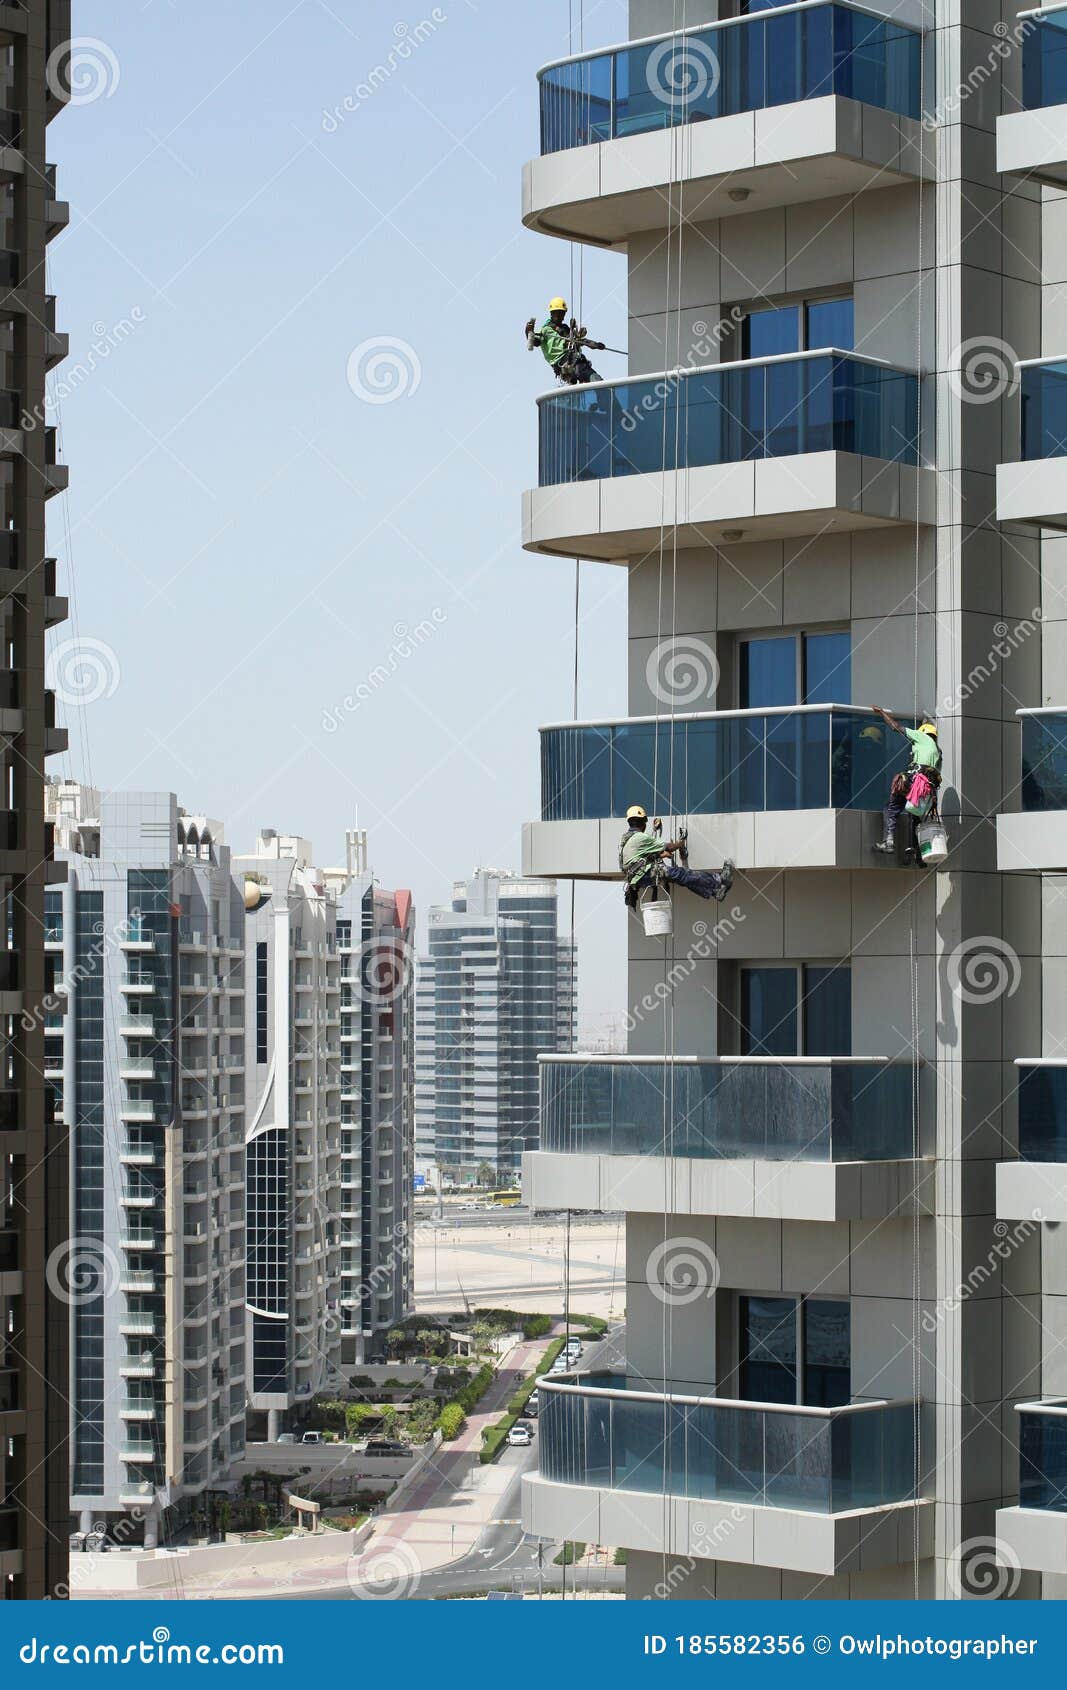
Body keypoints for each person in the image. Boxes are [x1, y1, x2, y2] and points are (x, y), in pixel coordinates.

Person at [619, 804, 734, 905]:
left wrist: (661, 855)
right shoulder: (640, 837)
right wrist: (680, 844)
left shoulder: (626, 839)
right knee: (683, 873)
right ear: (643, 823)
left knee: (682, 879)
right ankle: (719, 880)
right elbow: (669, 846)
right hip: (645, 874)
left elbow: (640, 858)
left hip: (638, 878)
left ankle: (715, 892)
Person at [868, 707, 942, 854]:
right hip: (925, 790)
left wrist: (882, 712)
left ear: (923, 733)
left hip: (914, 781)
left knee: (891, 807)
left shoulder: (922, 737)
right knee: (914, 815)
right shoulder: (938, 752)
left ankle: (889, 841)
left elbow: (896, 727)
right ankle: (917, 850)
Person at [525, 296, 605, 385]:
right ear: (552, 313)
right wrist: (528, 331)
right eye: (557, 313)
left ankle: (598, 389)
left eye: (562, 313)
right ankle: (603, 388)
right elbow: (535, 342)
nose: (560, 316)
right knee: (585, 371)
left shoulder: (565, 328)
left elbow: (578, 341)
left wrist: (596, 344)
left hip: (572, 361)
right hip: (564, 364)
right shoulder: (546, 330)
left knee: (582, 372)